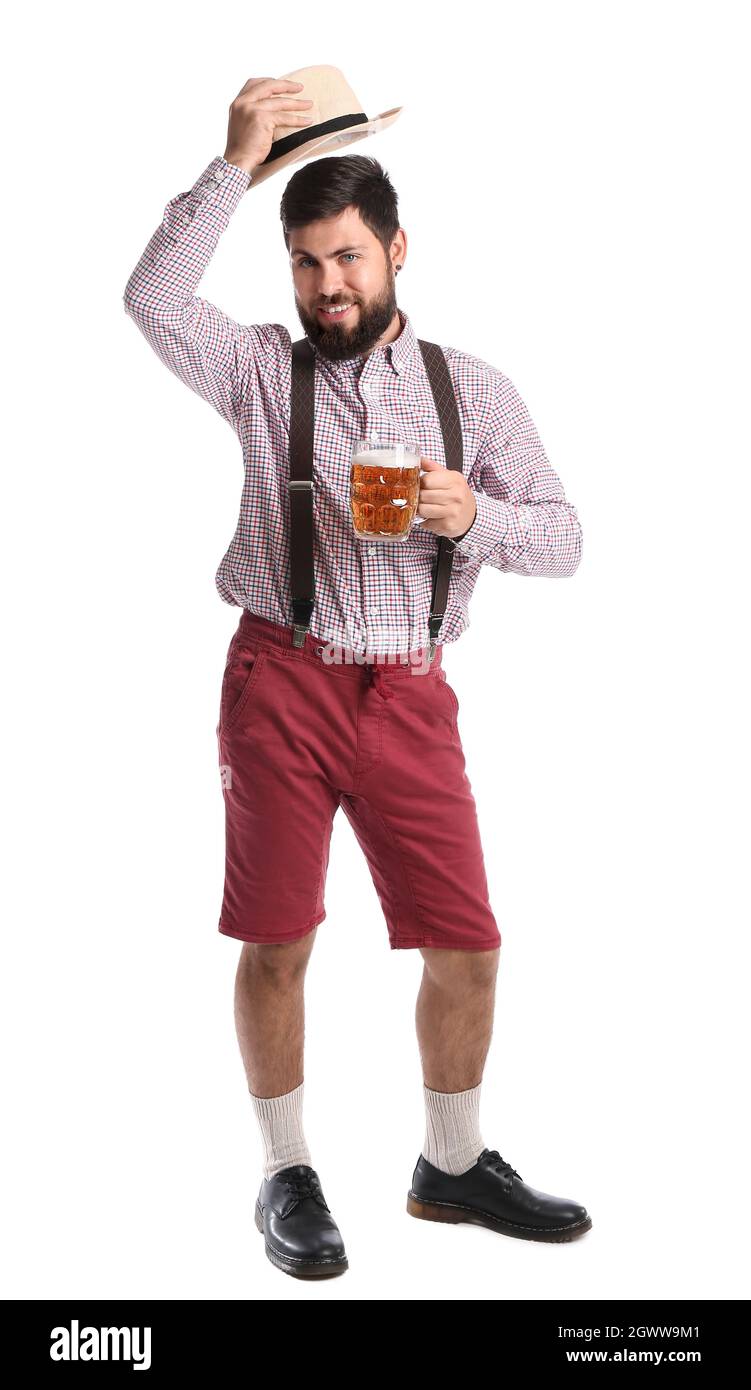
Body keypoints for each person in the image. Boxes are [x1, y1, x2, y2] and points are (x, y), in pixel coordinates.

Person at [123, 73, 591, 1281]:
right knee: (277, 940)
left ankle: (450, 1163)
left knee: (468, 943)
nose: (328, 286)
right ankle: (285, 1175)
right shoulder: (259, 374)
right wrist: (237, 167)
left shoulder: (469, 390)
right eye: (305, 265)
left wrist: (472, 513)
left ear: (394, 250)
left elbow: (567, 537)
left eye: (347, 259)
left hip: (410, 693)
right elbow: (151, 295)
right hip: (278, 681)